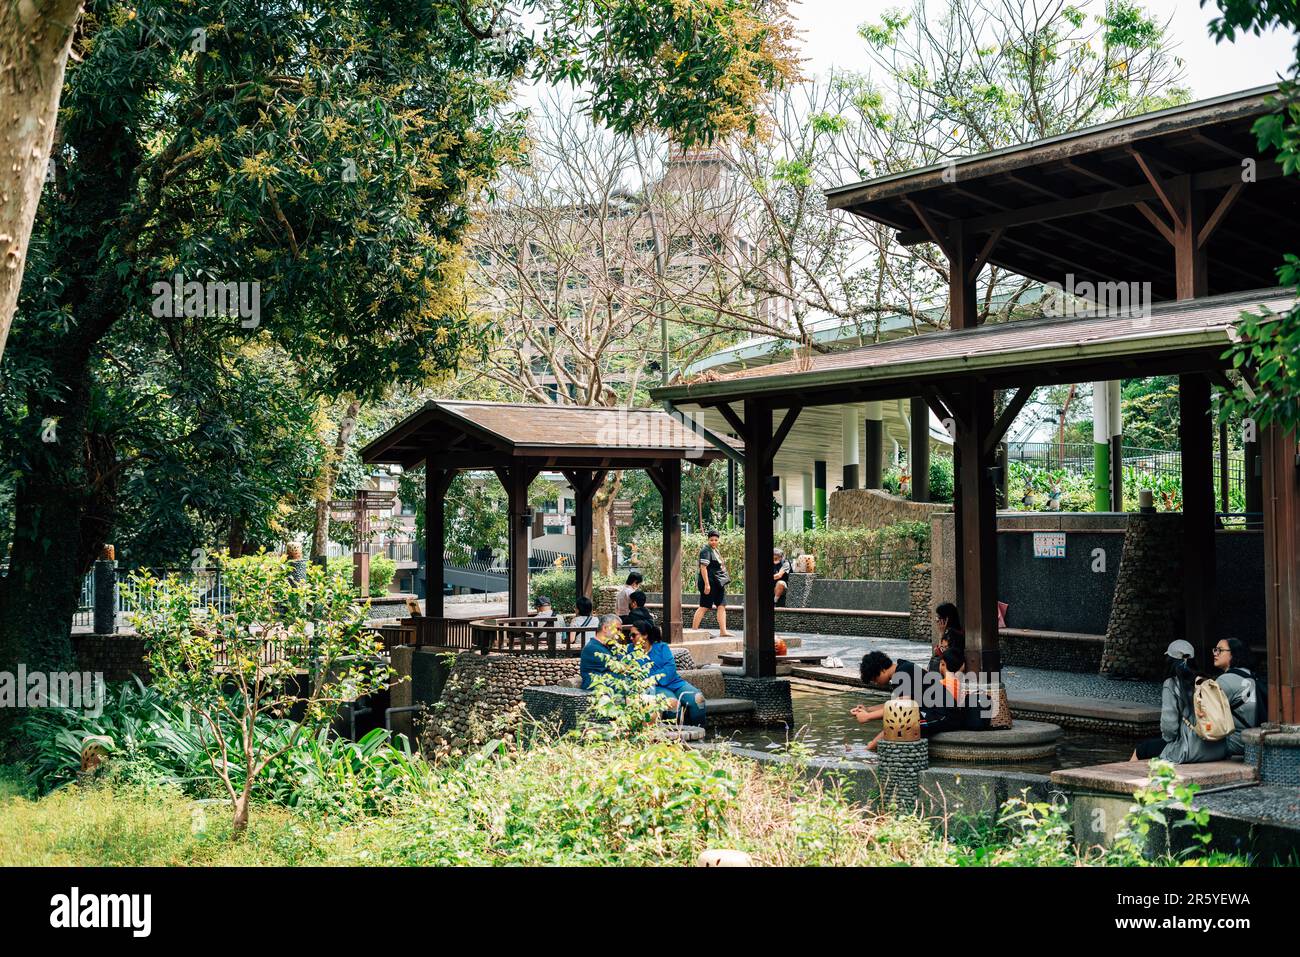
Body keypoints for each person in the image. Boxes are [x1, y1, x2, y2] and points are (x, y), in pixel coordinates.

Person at [1131, 640, 1228, 764]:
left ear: (1170, 661)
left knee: (1141, 750)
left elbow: (1169, 728)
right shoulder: (1207, 681)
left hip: (1190, 750)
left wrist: (1169, 740)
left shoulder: (1171, 684)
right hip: (1218, 749)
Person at [850, 651, 956, 751]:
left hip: (943, 716)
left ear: (882, 670)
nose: (876, 683)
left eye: (874, 679)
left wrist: (868, 717)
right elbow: (893, 704)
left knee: (901, 723)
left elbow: (901, 711)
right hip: (937, 713)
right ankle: (872, 747)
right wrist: (867, 710)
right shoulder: (902, 668)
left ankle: (871, 748)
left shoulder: (902, 673)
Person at [630, 621, 705, 725]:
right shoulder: (629, 651)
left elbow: (670, 668)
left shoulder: (662, 647)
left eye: (634, 635)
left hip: (674, 682)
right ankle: (677, 736)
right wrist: (652, 679)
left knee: (698, 698)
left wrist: (651, 676)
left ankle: (699, 732)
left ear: (645, 635)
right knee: (673, 704)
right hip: (653, 687)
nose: (631, 638)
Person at [1212, 637, 1262, 757]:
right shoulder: (1252, 676)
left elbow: (1210, 715)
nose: (1215, 653)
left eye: (1220, 650)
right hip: (1254, 742)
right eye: (1215, 650)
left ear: (1233, 654)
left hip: (1234, 744)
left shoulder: (1225, 680)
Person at [691, 529, 731, 636]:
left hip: (718, 583)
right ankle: (693, 630)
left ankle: (723, 631)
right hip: (709, 582)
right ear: (708, 540)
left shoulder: (715, 550)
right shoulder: (706, 550)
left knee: (721, 605)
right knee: (704, 606)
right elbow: (703, 568)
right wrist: (707, 585)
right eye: (711, 540)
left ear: (718, 540)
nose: (713, 542)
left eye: (716, 540)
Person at [579, 614, 633, 690]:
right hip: (596, 693)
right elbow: (621, 668)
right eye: (617, 629)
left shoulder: (610, 647)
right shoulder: (592, 648)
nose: (620, 634)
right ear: (605, 628)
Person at [927, 602, 965, 672]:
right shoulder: (953, 632)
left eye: (938, 618)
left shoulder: (952, 634)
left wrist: (941, 634)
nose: (937, 621)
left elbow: (940, 653)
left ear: (946, 619)